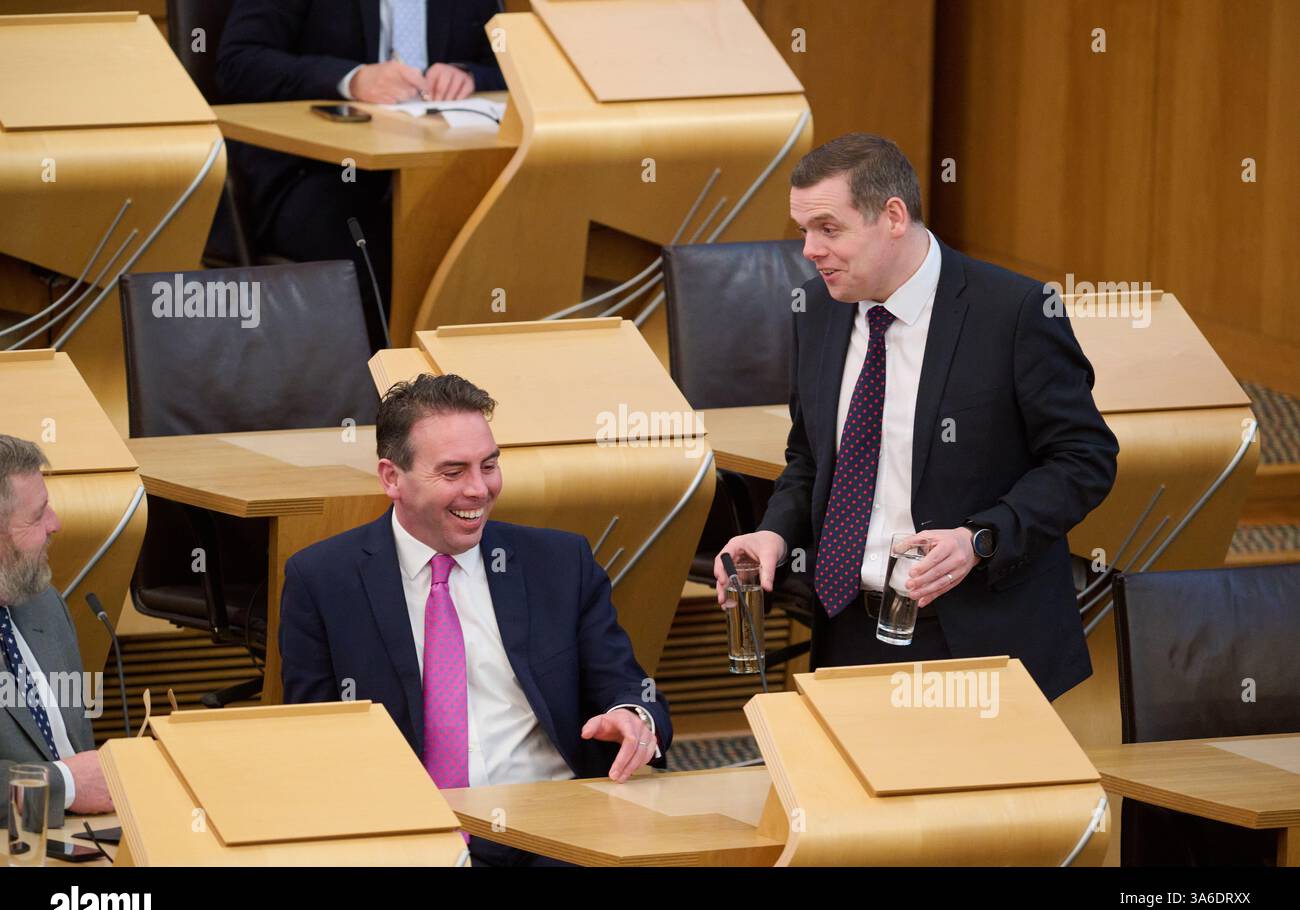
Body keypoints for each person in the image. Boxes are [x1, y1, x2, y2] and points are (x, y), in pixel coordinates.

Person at [714, 134, 1119, 700]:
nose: (809, 249)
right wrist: (774, 533)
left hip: (974, 634)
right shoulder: (817, 311)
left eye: (828, 229)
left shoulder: (1013, 313)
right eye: (803, 230)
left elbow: (1085, 459)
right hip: (846, 622)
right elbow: (809, 456)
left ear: (894, 217)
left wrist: (980, 538)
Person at [279, 374, 670, 866]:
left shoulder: (558, 562)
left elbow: (630, 688)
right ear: (391, 477)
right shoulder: (323, 580)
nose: (479, 489)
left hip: (557, 831)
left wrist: (633, 719)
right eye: (453, 471)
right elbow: (312, 745)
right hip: (418, 838)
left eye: (489, 465)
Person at [215, 0, 507, 308]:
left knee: (506, 237)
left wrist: (468, 75)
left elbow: (514, 63)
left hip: (445, 172)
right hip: (314, 172)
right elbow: (239, 64)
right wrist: (351, 79)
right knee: (380, 250)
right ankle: (386, 356)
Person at [0, 436, 113, 827]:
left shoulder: (43, 604)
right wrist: (66, 785)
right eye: (38, 515)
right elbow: (74, 778)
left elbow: (76, 748)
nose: (56, 524)